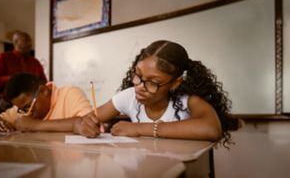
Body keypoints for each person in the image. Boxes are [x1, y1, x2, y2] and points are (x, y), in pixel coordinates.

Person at [74, 40, 234, 146]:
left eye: (153, 82)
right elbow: (84, 120)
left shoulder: (187, 101)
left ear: (175, 83)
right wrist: (84, 126)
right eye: (137, 75)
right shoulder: (129, 96)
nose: (140, 86)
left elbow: (211, 129)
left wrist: (139, 129)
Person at [0, 72, 92, 132]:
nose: (27, 113)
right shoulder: (22, 109)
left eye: (28, 107)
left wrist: (35, 125)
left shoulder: (70, 93)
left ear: (44, 91)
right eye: (22, 110)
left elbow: (90, 123)